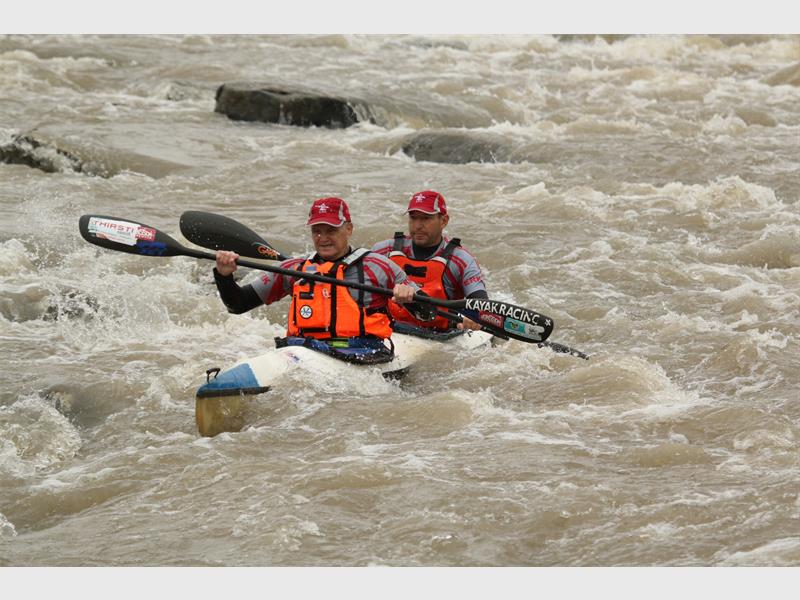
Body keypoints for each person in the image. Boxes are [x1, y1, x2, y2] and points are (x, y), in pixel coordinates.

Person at [213, 197, 424, 364]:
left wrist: (410, 298)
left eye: (331, 230)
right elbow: (237, 304)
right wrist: (224, 276)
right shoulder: (295, 269)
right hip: (305, 349)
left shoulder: (379, 267)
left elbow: (428, 313)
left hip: (363, 353)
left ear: (348, 229)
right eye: (317, 231)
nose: (323, 238)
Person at [371, 190, 487, 332]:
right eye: (413, 218)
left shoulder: (461, 260)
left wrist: (475, 316)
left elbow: (482, 305)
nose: (417, 226)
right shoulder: (383, 251)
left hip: (440, 335)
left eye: (425, 218)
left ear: (443, 221)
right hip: (391, 330)